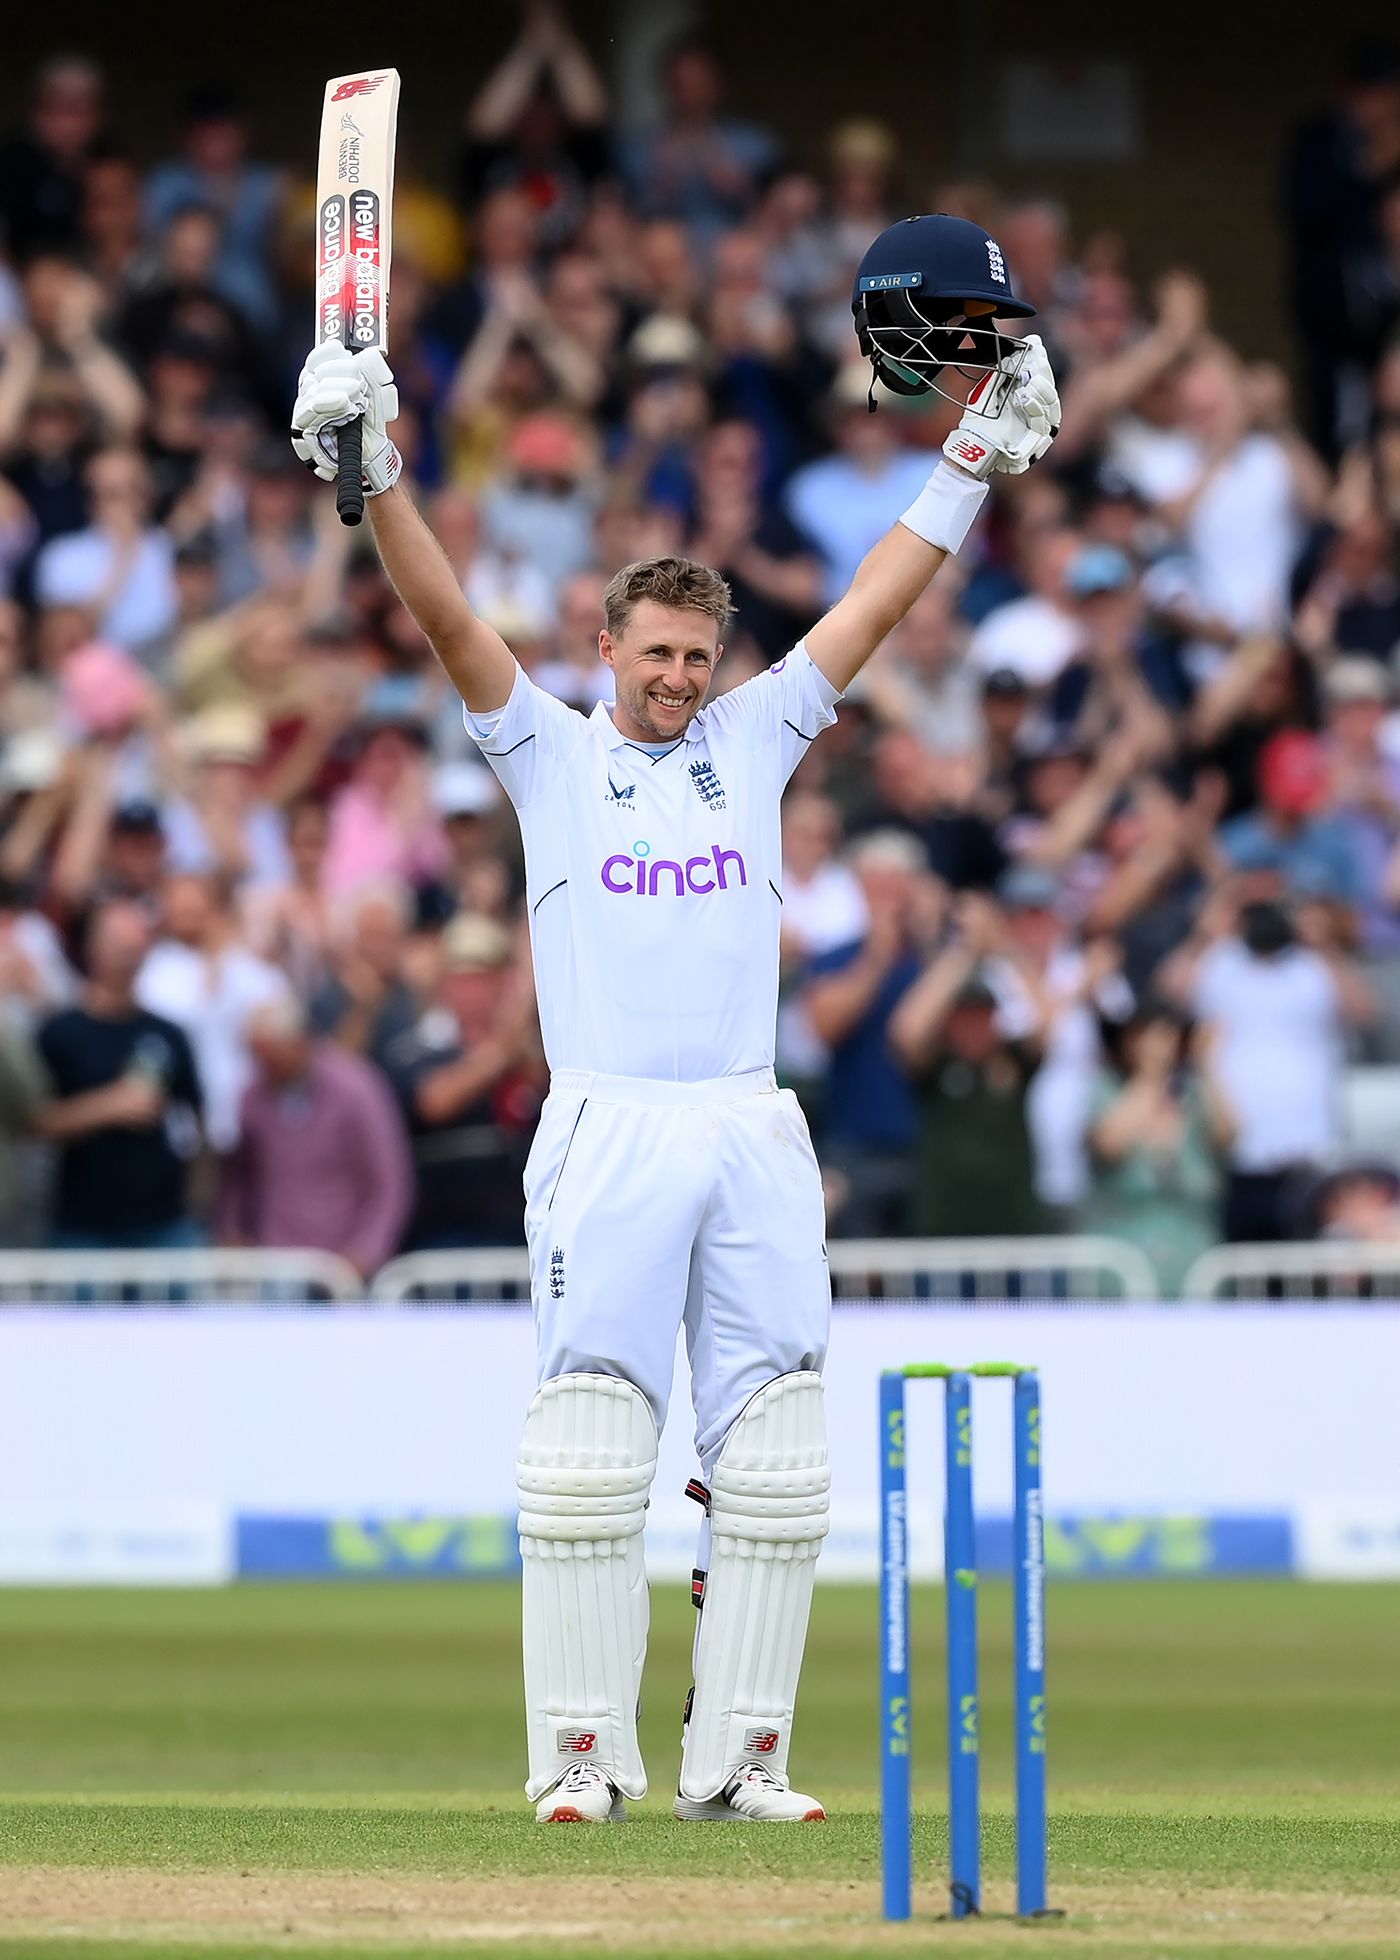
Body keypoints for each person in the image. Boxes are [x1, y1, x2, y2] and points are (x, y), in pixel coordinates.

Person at [291, 209, 1059, 1824]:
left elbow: (874, 605)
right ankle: (581, 1759)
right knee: (589, 1446)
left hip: (747, 1120)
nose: (679, 679)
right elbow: (447, 622)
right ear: (607, 648)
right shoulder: (548, 753)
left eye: (699, 656)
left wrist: (972, 465)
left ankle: (742, 1761)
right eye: (655, 655)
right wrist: (377, 475)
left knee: (775, 1453)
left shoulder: (757, 736)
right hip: (611, 1123)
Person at [34, 898, 203, 1249]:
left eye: (137, 941)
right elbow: (32, 1121)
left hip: (165, 1223)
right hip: (84, 1228)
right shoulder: (59, 1033)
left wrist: (196, 1195)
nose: (130, 951)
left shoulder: (168, 1034)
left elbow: (197, 1120)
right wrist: (109, 1106)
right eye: (119, 941)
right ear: (92, 948)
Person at [217, 995, 412, 1279]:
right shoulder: (252, 1096)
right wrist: (233, 1234)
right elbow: (240, 1179)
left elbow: (389, 1181)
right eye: (257, 1057)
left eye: (271, 1057)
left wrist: (365, 1253)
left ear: (300, 1043)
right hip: (274, 1264)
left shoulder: (357, 1090)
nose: (263, 1067)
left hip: (343, 1266)